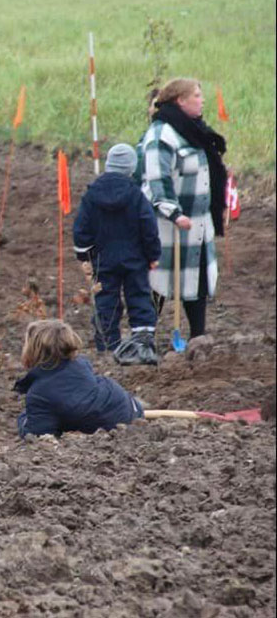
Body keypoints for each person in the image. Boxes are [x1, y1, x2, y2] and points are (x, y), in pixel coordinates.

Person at [137, 78, 227, 339]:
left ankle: (199, 338)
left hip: (198, 222)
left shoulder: (196, 130)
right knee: (158, 279)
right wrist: (173, 213)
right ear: (180, 100)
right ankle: (144, 336)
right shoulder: (160, 135)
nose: (202, 99)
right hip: (167, 224)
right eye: (197, 95)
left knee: (196, 280)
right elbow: (157, 179)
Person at [73, 144, 161, 364]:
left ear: (108, 165)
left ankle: (107, 345)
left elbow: (81, 227)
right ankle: (142, 344)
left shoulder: (92, 194)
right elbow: (148, 226)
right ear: (131, 168)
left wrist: (84, 255)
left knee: (105, 300)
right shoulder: (136, 194)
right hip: (135, 259)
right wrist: (153, 255)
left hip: (103, 259)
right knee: (139, 297)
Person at [13, 319, 144, 438]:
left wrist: (24, 417)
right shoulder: (81, 363)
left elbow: (36, 434)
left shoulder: (39, 394)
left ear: (33, 351)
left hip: (111, 430)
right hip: (130, 407)